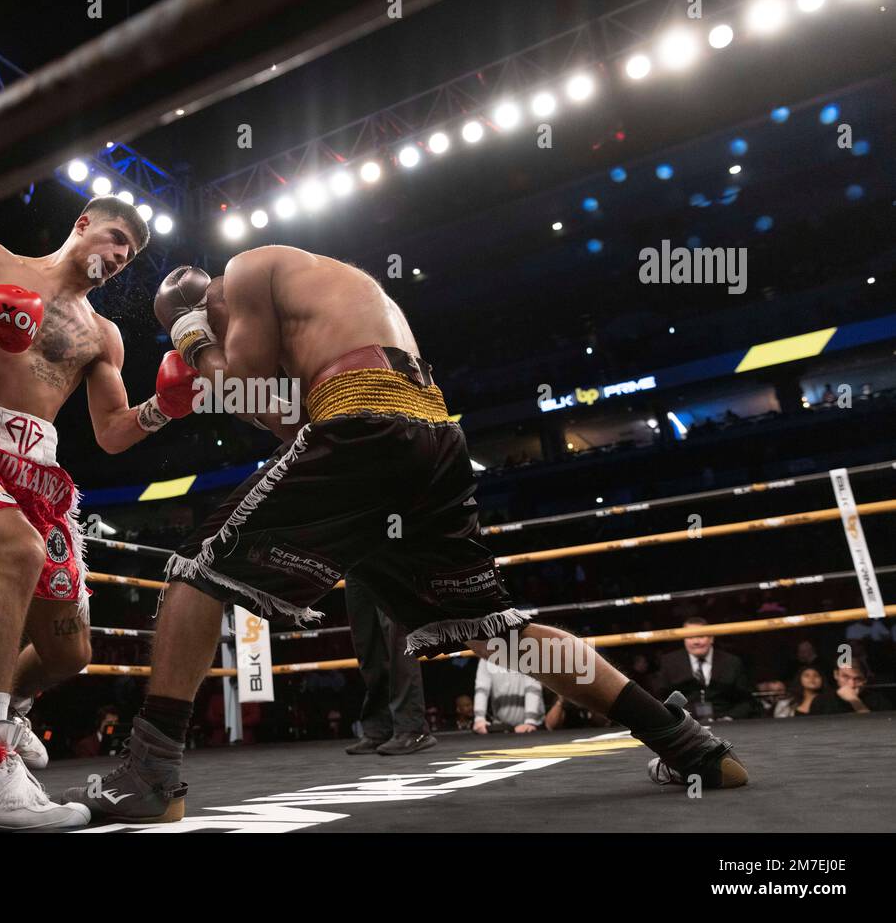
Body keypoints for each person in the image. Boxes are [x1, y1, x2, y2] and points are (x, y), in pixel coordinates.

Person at [61, 245, 748, 822]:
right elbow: (286, 417)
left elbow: (244, 389)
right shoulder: (319, 289)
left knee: (193, 568)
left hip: (365, 418)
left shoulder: (242, 275)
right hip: (428, 434)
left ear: (201, 301)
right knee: (493, 625)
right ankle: (687, 744)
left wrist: (197, 346)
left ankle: (151, 773)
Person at [0, 195, 200, 832]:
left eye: (128, 254)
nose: (117, 256)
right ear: (81, 224)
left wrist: (167, 407)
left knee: (67, 651)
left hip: (39, 475)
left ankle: (10, 713)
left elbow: (111, 431)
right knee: (17, 553)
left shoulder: (103, 335)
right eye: (113, 238)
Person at [343, 577, 436, 755]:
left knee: (399, 643)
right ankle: (379, 730)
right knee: (368, 646)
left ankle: (412, 729)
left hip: (386, 555)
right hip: (354, 560)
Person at [655, 618, 759, 720]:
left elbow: (747, 700)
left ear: (711, 638)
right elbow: (661, 698)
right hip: (685, 724)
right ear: (684, 640)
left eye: (701, 636)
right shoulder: (669, 662)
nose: (696, 642)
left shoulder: (731, 662)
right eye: (690, 637)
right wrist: (677, 719)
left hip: (725, 723)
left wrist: (729, 717)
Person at [811, 661, 892, 714]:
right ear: (836, 675)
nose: (851, 684)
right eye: (845, 677)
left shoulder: (878, 700)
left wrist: (855, 701)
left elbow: (877, 730)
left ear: (865, 680)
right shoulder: (821, 701)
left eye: (858, 679)